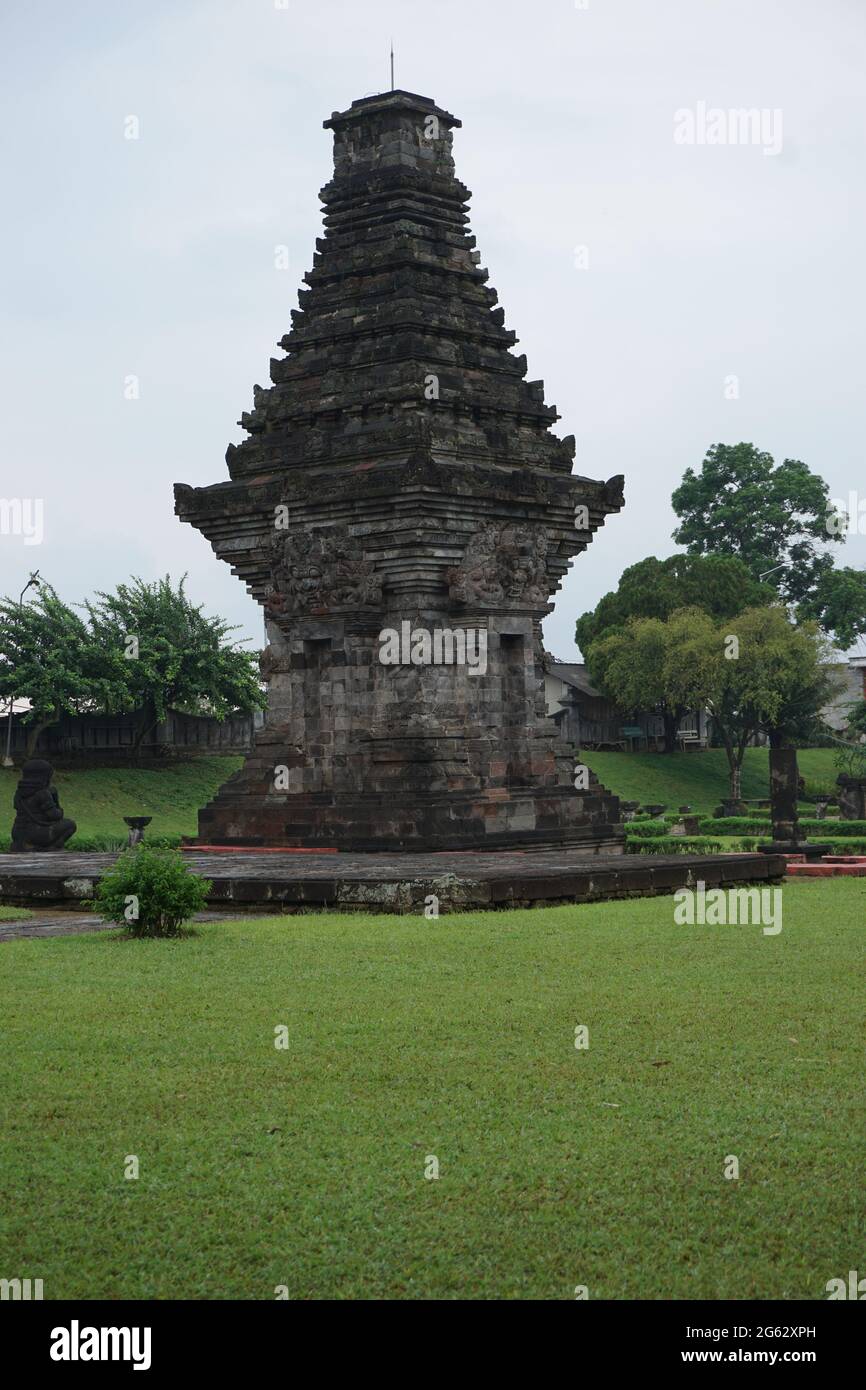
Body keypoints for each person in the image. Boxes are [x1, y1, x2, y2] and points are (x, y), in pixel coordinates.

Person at [10, 759, 76, 851]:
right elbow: (55, 816)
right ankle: (53, 847)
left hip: (17, 832)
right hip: (37, 833)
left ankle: (25, 844)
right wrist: (55, 799)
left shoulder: (19, 793)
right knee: (70, 824)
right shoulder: (43, 793)